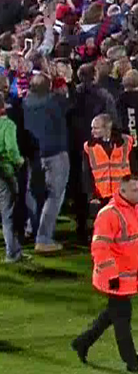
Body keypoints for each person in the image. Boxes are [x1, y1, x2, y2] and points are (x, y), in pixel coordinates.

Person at [71, 174, 138, 374]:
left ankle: (82, 343)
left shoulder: (137, 210)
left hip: (127, 277)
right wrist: (111, 275)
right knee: (122, 320)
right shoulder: (109, 214)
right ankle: (132, 362)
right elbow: (100, 248)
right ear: (123, 191)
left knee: (112, 315)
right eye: (135, 190)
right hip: (115, 279)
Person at [23, 74, 71, 253]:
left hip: (34, 154)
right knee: (54, 195)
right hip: (55, 153)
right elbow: (70, 102)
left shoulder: (25, 103)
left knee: (34, 192)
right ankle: (43, 238)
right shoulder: (55, 101)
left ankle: (31, 228)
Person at [0, 98, 26, 262]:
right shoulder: (7, 124)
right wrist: (20, 161)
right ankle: (12, 253)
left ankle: (15, 249)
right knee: (8, 213)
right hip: (5, 173)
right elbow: (11, 148)